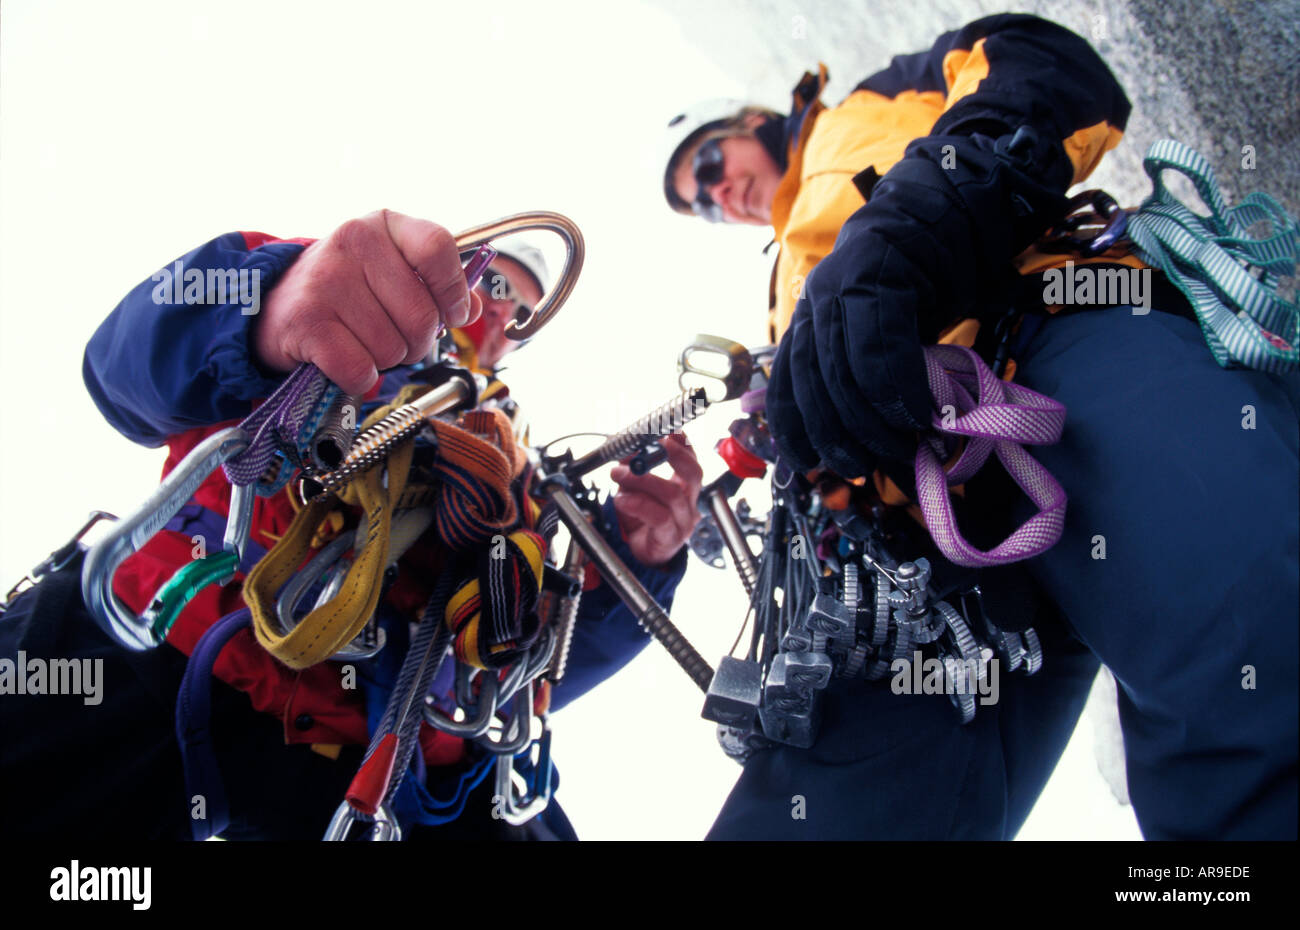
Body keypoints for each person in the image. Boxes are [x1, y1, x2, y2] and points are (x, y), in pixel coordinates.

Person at [661, 13, 1298, 840]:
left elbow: (1048, 65)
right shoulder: (783, 277)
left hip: (1050, 337)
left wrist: (917, 222)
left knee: (1245, 631)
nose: (715, 194)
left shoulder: (874, 101)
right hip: (921, 553)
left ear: (751, 122)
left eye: (708, 163)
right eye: (698, 205)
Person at [0, 210, 703, 840]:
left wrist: (633, 566)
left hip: (384, 763)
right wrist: (269, 306)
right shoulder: (334, 300)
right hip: (154, 645)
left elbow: (519, 663)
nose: (499, 312)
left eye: (520, 306)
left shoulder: (518, 474)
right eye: (493, 287)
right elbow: (119, 374)